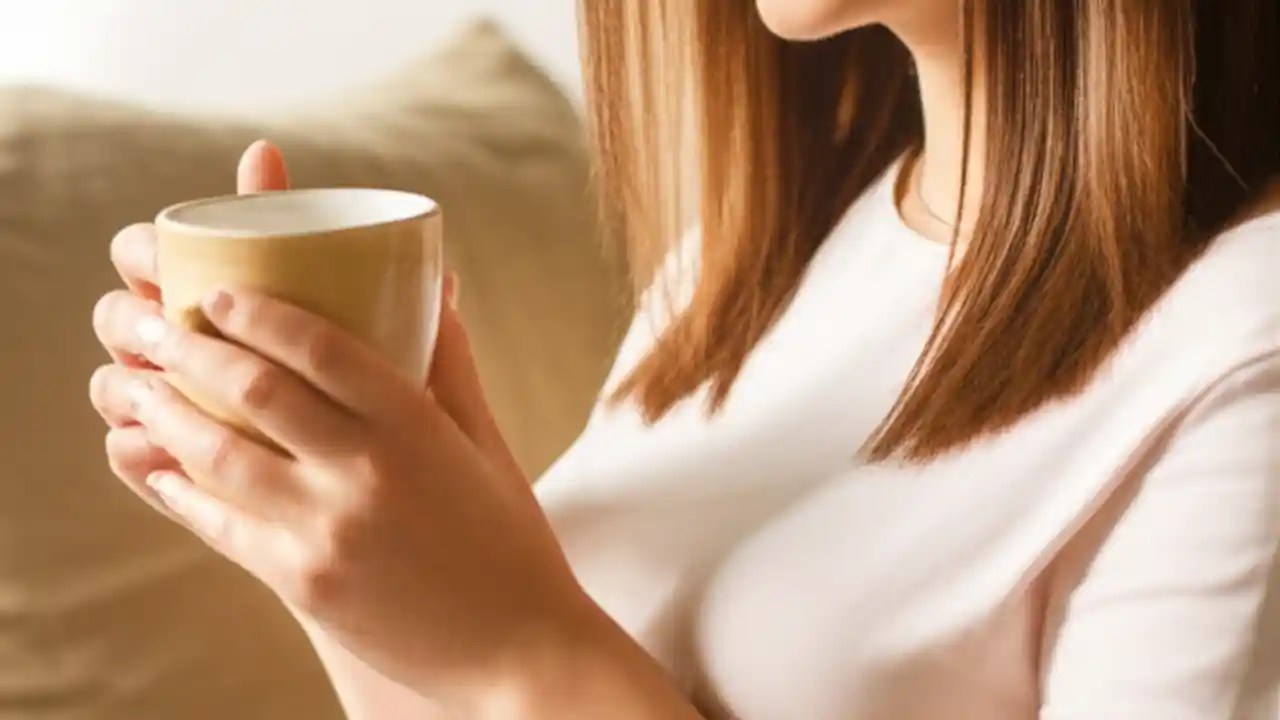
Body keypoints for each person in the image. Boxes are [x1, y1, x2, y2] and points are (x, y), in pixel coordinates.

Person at [88, 1, 1279, 718]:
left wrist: (519, 652)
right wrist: (334, 545)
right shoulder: (766, 257)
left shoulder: (1243, 349)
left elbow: (519, 671)